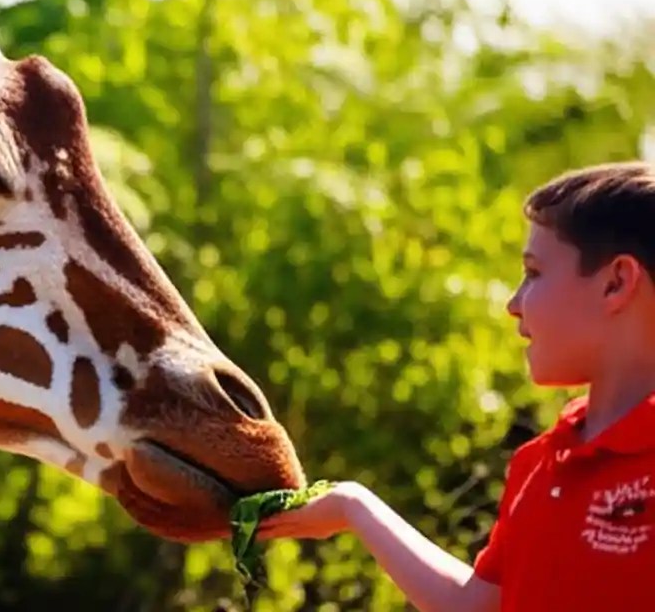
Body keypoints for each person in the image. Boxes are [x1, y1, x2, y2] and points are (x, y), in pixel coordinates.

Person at [257, 161, 655, 611]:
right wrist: (353, 507)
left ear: (615, 283)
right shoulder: (540, 462)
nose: (513, 303)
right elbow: (478, 606)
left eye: (534, 273)